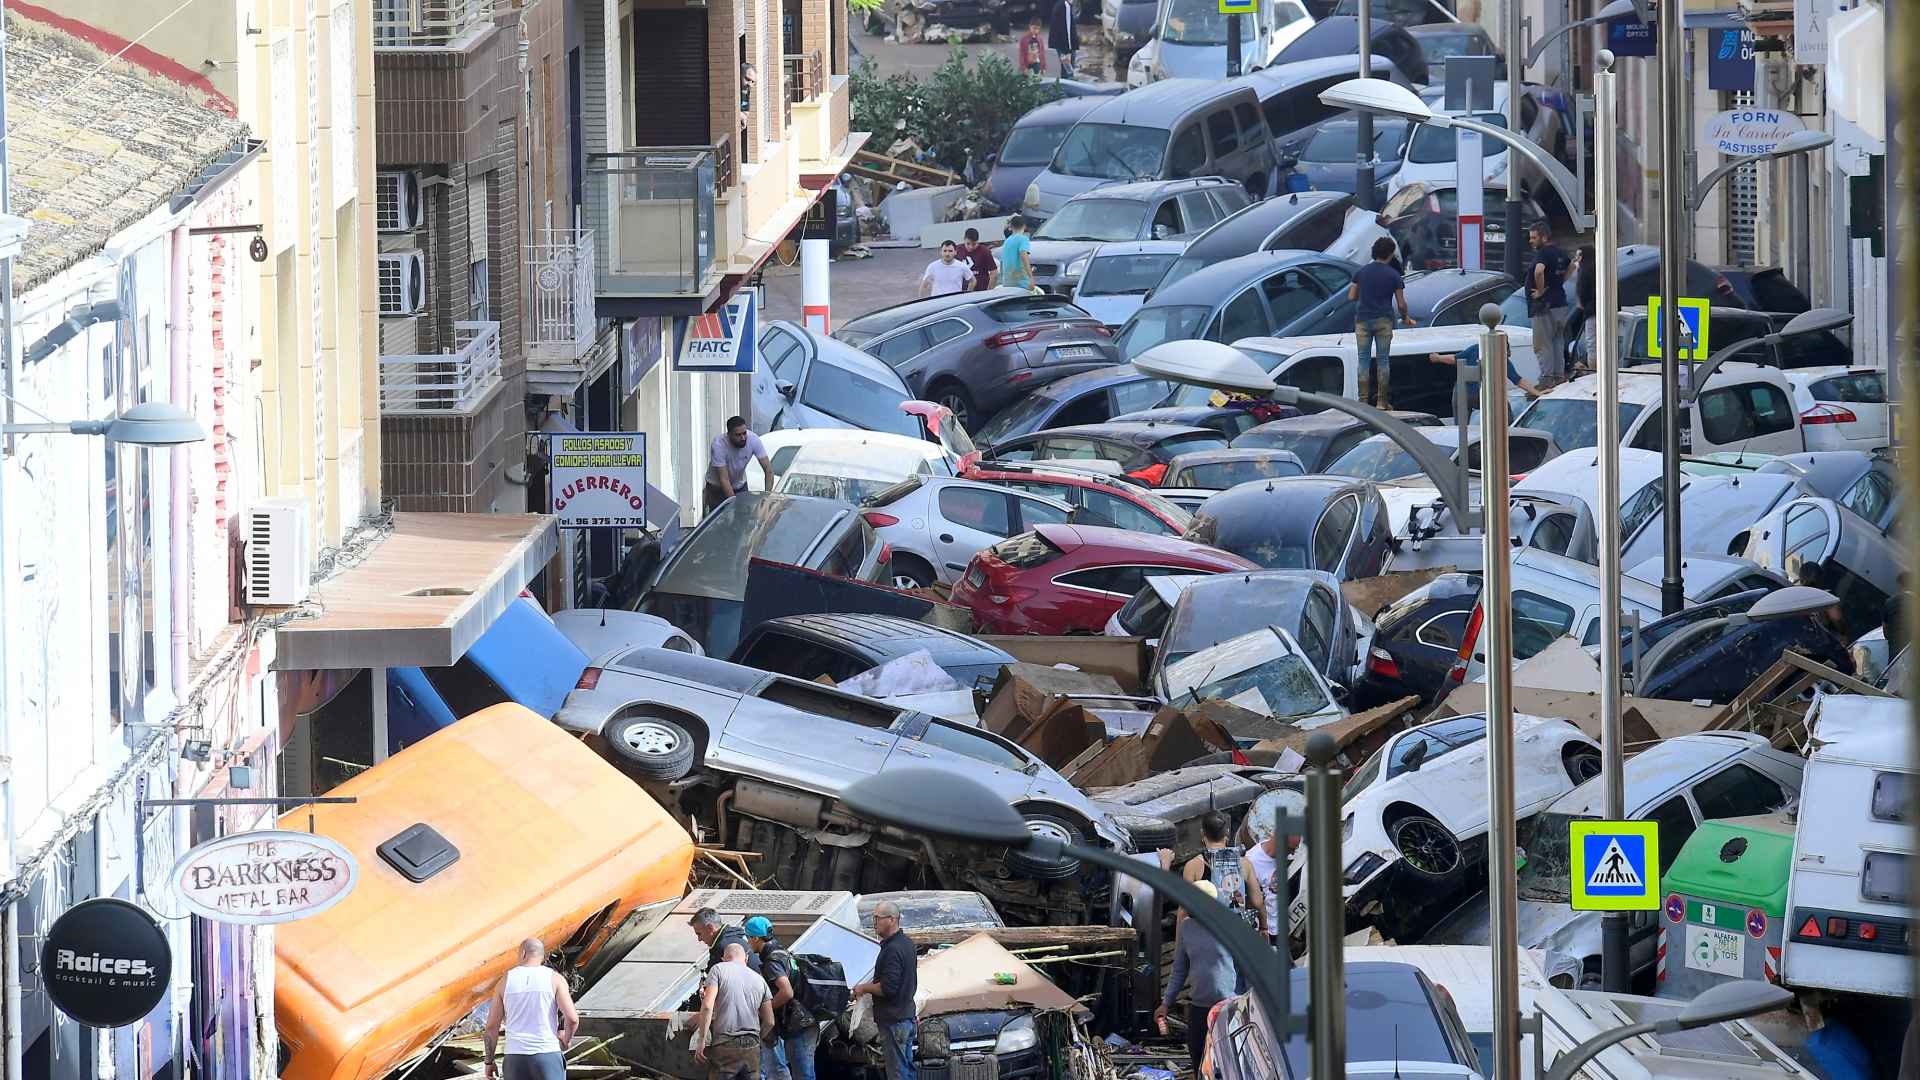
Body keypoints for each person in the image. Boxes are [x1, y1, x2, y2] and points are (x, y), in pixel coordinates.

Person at [1154, 881, 1239, 1070]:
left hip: (1226, 1006)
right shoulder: (1186, 927)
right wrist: (1166, 1003)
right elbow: (1179, 969)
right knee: (1198, 1057)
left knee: (1227, 1061)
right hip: (1199, 1007)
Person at [483, 938, 579, 1080]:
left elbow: (491, 1027)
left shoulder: (504, 981)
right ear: (542, 956)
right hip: (547, 1056)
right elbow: (572, 1019)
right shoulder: (555, 979)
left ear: (522, 954)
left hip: (515, 1059)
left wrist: (489, 1061)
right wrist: (566, 1039)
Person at [745, 916, 820, 1080]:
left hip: (799, 1024)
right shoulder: (782, 952)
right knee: (804, 1072)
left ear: (755, 938)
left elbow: (786, 991)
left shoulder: (771, 960)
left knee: (803, 1074)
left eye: (748, 937)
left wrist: (766, 1008)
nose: (748, 943)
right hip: (805, 1020)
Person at [851, 901, 917, 1080]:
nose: (874, 922)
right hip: (905, 1017)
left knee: (898, 1072)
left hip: (894, 1020)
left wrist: (863, 987)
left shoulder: (893, 949)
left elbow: (889, 988)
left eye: (878, 918)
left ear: (892, 920)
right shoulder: (906, 943)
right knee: (906, 1068)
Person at [1347, 236, 1413, 408]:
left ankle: (1362, 401)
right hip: (1384, 320)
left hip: (1362, 320)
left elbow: (1351, 296)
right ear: (1390, 254)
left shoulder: (1361, 272)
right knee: (1383, 360)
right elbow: (1401, 304)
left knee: (1363, 360)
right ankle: (1382, 402)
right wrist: (1406, 317)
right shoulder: (1394, 275)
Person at [695, 943, 777, 1080]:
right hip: (752, 1046)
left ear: (723, 958)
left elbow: (707, 1006)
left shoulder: (718, 970)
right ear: (746, 958)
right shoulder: (759, 979)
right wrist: (756, 1040)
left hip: (725, 1044)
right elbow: (770, 1021)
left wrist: (702, 1040)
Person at [1181, 811, 1262, 931]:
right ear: (1227, 833)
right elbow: (1258, 902)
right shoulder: (1244, 863)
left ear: (1202, 833)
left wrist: (1179, 946)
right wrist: (1265, 927)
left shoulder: (1193, 866)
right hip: (1237, 933)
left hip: (1210, 934)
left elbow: (1184, 910)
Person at [1526, 222, 1571, 385]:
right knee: (1557, 341)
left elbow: (1539, 271)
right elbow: (1572, 265)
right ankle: (1559, 377)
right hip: (1560, 303)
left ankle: (1546, 379)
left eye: (1534, 237)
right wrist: (1559, 282)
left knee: (1542, 344)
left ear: (1544, 237)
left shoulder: (1543, 254)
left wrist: (1540, 291)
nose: (1531, 241)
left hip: (1544, 306)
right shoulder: (1560, 252)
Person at [706, 418, 774, 517]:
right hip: (717, 488)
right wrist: (735, 504)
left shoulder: (753, 439)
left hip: (740, 485)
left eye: (744, 433)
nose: (743, 438)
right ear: (728, 434)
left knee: (743, 520)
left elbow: (768, 470)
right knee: (717, 521)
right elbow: (724, 479)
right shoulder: (718, 445)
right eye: (738, 435)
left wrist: (766, 498)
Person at [1425, 343, 1542, 399]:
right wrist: (1439, 358)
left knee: (1505, 413)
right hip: (1468, 393)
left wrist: (1537, 393)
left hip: (1478, 394)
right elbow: (1455, 359)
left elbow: (1518, 380)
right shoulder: (1478, 349)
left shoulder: (1500, 359)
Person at [1571, 243, 1597, 374]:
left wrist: (1581, 303)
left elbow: (1582, 293)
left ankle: (1593, 371)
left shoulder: (1584, 271)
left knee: (1591, 342)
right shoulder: (1599, 267)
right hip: (1606, 311)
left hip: (1591, 311)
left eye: (1578, 255)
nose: (1576, 258)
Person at [1000, 216, 1035, 292]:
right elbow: (1024, 256)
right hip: (1021, 282)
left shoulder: (1006, 241)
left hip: (1007, 282)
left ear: (1011, 227)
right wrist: (1030, 277)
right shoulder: (1023, 239)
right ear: (1024, 226)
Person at [1048, 0, 1077, 79]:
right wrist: (1068, 51)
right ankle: (1068, 90)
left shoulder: (1060, 4)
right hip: (1065, 47)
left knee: (1065, 71)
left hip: (1061, 45)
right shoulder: (1065, 6)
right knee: (1069, 72)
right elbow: (1067, 30)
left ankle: (1062, 89)